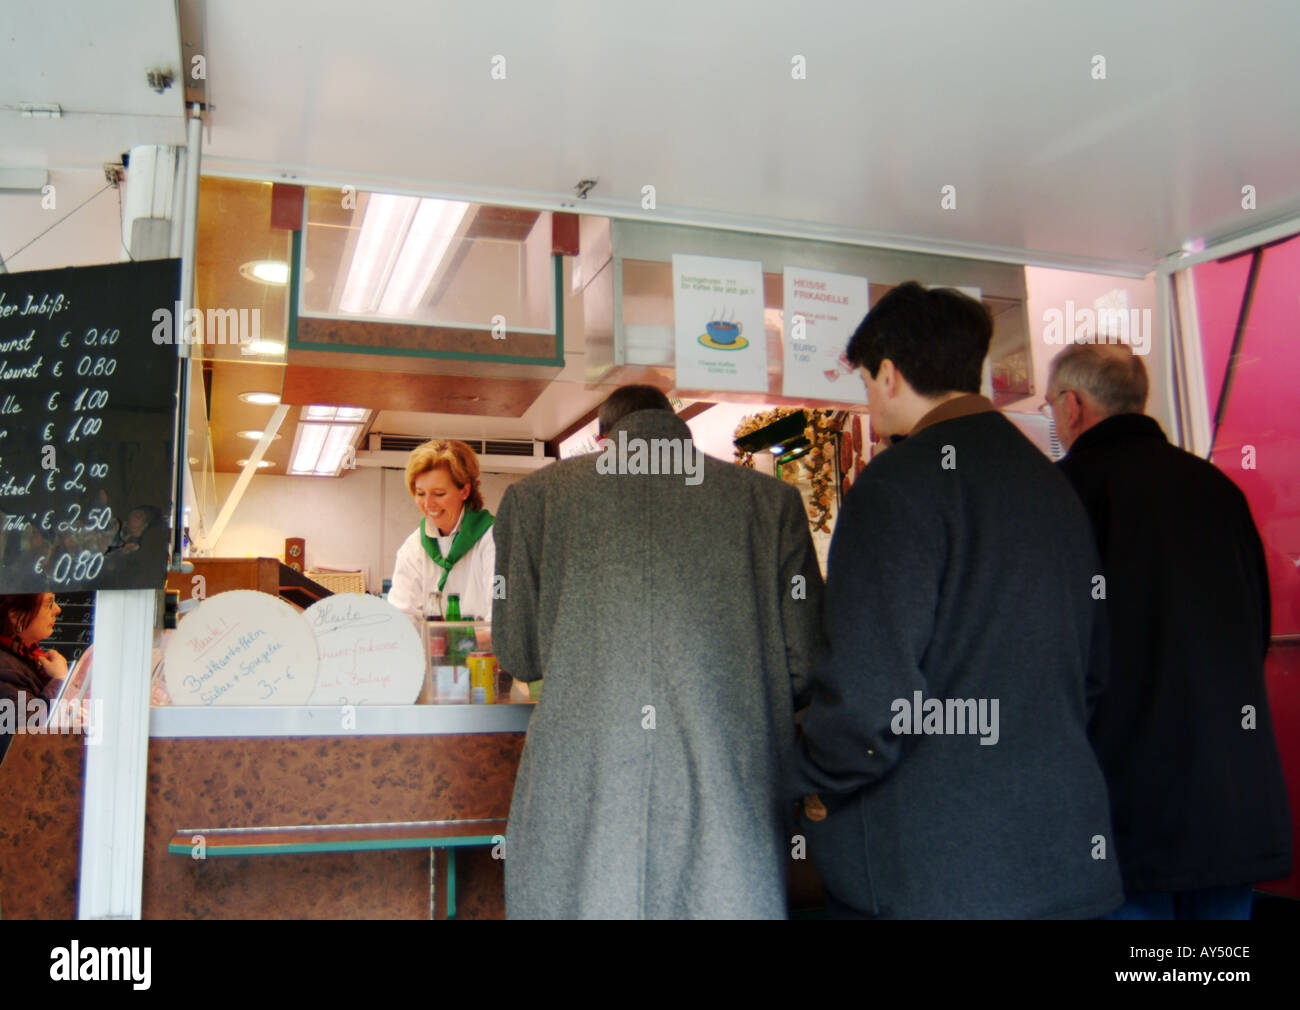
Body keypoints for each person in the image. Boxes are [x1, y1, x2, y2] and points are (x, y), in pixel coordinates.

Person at [795, 282, 1122, 919]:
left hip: (930, 869)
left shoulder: (895, 486)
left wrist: (814, 776)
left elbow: (869, 696)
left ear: (888, 373)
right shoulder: (1052, 485)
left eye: (865, 380)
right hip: (1061, 855)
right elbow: (1093, 671)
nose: (868, 396)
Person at [493, 384, 825, 918]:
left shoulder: (534, 501)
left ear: (604, 439)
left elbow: (519, 654)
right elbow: (805, 662)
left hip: (584, 781)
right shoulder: (770, 502)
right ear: (679, 427)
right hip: (728, 786)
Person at [1048, 342, 1292, 919]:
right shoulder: (1218, 489)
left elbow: (1055, 653)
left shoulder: (1062, 492)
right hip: (1230, 796)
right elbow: (1256, 628)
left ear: (1073, 404)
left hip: (1123, 805)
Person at [387, 439, 496, 622]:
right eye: (420, 494)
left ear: (465, 491)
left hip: (486, 650)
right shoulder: (414, 548)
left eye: (439, 494)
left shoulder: (495, 539)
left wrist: (460, 640)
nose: (428, 504)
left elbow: (503, 608)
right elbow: (400, 615)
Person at [0, 593, 68, 763]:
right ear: (16, 616)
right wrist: (60, 681)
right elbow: (34, 737)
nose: (57, 610)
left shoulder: (24, 657)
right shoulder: (5, 669)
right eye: (48, 604)